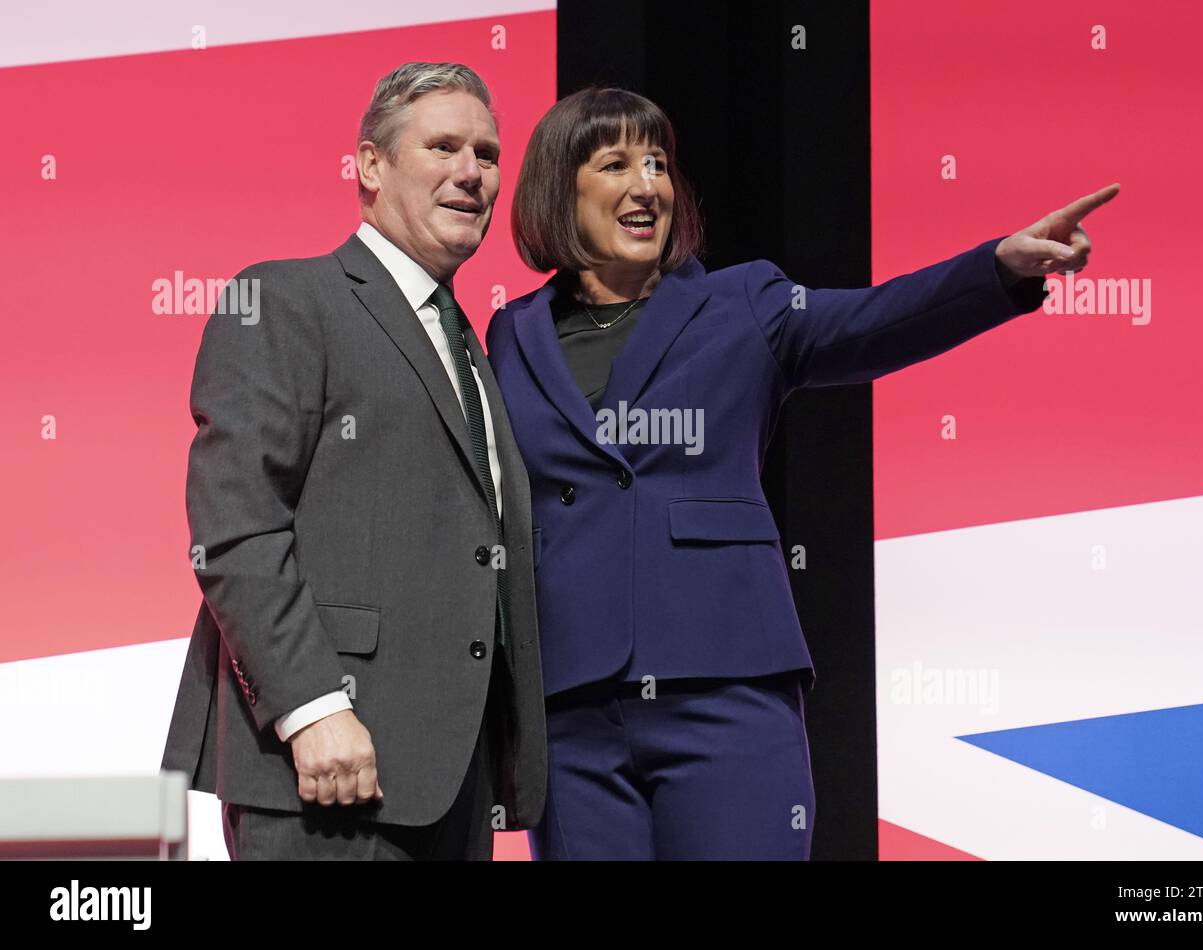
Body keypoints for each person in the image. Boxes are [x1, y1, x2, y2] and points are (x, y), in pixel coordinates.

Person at [486, 86, 1118, 860]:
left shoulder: (743, 303)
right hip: (572, 707)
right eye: (615, 163)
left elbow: (880, 319)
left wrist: (998, 271)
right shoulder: (512, 333)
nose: (646, 184)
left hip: (724, 688)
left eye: (656, 163)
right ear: (561, 187)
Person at [160, 62, 546, 860]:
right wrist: (310, 706)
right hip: (327, 772)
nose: (471, 173)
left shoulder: (469, 343)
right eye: (443, 146)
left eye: (487, 153)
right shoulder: (285, 299)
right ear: (370, 165)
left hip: (453, 783)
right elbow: (237, 522)